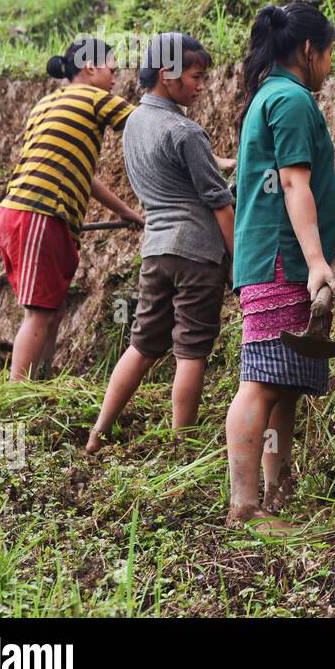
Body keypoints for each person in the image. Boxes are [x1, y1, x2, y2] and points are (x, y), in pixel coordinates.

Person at [87, 33, 236, 454]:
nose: (202, 85)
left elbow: (175, 169)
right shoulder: (187, 131)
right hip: (197, 255)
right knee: (191, 351)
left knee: (143, 345)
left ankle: (97, 434)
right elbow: (220, 204)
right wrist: (237, 263)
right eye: (197, 76)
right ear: (169, 76)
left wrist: (215, 160)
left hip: (156, 252)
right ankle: (182, 446)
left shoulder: (134, 122)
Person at [225, 2, 335, 529]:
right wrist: (316, 262)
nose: (331, 64)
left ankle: (277, 494)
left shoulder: (269, 96)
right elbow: (294, 184)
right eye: (330, 53)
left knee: (284, 386)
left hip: (275, 257)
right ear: (309, 51)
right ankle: (245, 507)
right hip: (281, 259)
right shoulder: (291, 100)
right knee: (261, 383)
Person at [0, 37, 142, 381]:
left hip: (25, 214)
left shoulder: (47, 103)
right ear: (91, 68)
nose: (115, 77)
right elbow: (151, 127)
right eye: (111, 69)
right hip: (40, 213)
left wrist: (126, 213)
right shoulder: (94, 97)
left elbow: (82, 176)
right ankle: (17, 394)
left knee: (52, 309)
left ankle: (42, 383)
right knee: (39, 314)